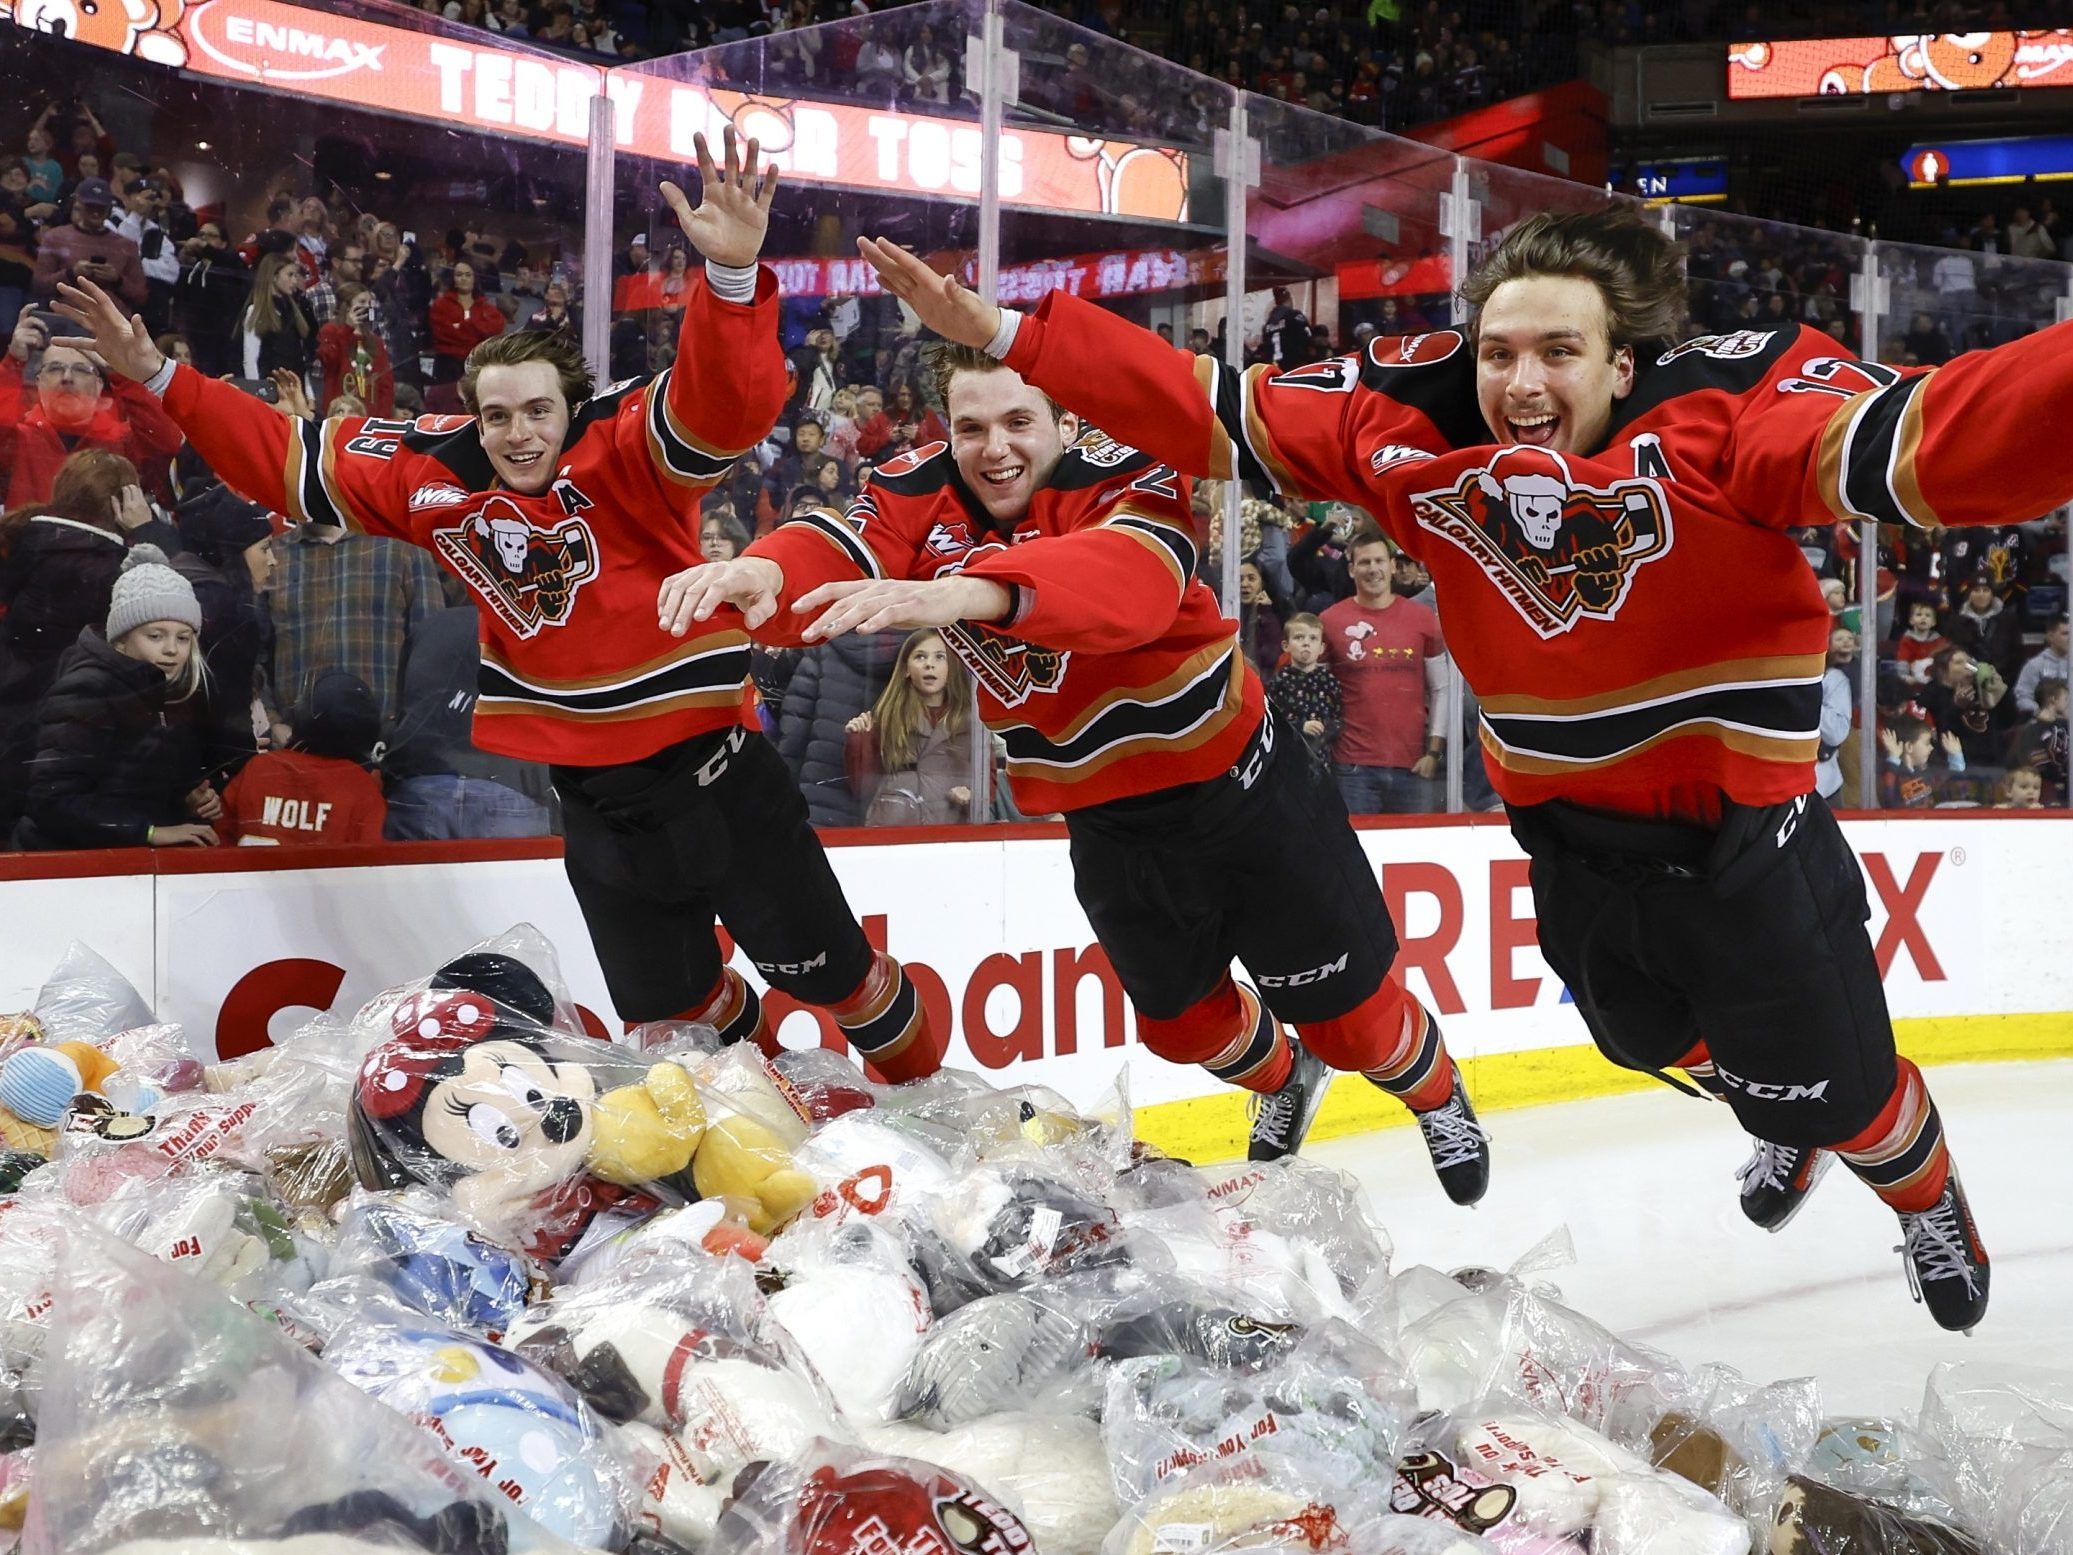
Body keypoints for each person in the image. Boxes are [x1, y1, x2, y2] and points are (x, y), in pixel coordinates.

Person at [857, 202, 2073, 1330]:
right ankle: (1775, 1104)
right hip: (1570, 838)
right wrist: (1015, 333)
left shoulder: (1732, 411)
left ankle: (1924, 1198)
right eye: (1500, 352)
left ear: (1621, 364)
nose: (1522, 383)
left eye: (1558, 353)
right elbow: (1210, 405)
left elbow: (1944, 434)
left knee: (1848, 1097)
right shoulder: (1412, 416)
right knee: (1638, 1039)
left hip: (1739, 837)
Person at [56, 132, 940, 1082]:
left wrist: (729, 275)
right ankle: (768, 1134)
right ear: (472, 415)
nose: (518, 434)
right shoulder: (432, 474)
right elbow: (281, 454)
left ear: (575, 407)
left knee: (847, 985)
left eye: (537, 412)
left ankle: (935, 1108)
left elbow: (724, 406)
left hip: (715, 777)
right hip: (595, 812)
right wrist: (158, 375)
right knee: (678, 1035)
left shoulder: (629, 446)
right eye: (497, 414)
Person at [659, 341, 1490, 1192]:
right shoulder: (920, 485)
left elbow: (1130, 585)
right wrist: (765, 566)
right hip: (1109, 823)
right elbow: (843, 539)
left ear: (1064, 420)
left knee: (1351, 1022)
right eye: (972, 427)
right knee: (1186, 1030)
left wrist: (970, 591)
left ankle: (1435, 1096)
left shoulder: (1127, 466)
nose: (995, 448)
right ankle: (1282, 1079)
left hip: (1244, 793)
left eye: (1020, 422)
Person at [14, 545, 221, 850]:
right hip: (67, 871)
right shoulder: (88, 689)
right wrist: (150, 832)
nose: (171, 649)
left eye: (183, 637)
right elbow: (52, 801)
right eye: (155, 635)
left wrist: (188, 802)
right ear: (122, 639)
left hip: (123, 864)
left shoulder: (166, 693)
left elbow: (132, 790)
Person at [1320, 527, 1449, 815]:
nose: (1373, 569)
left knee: (1414, 857)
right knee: (1355, 856)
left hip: (1414, 767)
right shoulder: (1329, 621)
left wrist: (1433, 752)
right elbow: (1313, 686)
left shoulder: (1423, 619)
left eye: (1379, 561)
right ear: (1352, 570)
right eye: (1364, 562)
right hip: (1352, 769)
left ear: (1392, 566)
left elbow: (1442, 688)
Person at [0, 315, 182, 508]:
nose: (67, 377)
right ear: (38, 384)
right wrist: (12, 364)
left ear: (98, 386)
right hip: (26, 537)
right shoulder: (19, 438)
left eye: (81, 370)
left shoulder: (121, 442)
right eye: (54, 368)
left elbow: (166, 443)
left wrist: (121, 372)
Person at [219, 669, 386, 845]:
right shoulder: (361, 786)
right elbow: (373, 862)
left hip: (249, 872)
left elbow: (219, 838)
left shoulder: (259, 768)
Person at [844, 627, 978, 825]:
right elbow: (862, 787)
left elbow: (988, 785)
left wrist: (970, 793)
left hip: (950, 826)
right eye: (920, 657)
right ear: (906, 668)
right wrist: (858, 740)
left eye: (940, 657)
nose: (929, 665)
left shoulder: (970, 722)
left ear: (952, 667)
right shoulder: (886, 718)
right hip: (894, 826)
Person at [1266, 611, 1341, 766]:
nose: (1306, 643)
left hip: (1321, 760)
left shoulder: (1329, 681)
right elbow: (1272, 721)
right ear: (1286, 646)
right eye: (1299, 637)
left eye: (1313, 638)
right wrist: (1300, 726)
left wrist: (1324, 733)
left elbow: (1338, 719)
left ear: (1321, 648)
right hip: (1287, 760)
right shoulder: (1279, 681)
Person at [428, 260, 505, 385]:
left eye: (468, 275)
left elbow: (497, 327)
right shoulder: (441, 305)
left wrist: (462, 326)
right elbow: (443, 334)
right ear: (453, 279)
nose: (463, 278)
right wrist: (477, 328)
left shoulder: (485, 307)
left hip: (476, 366)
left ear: (475, 279)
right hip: (447, 367)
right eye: (459, 275)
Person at [2013, 618, 2068, 716]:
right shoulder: (2035, 665)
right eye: (2065, 633)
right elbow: (2022, 697)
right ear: (2051, 636)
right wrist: (2038, 712)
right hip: (2042, 723)